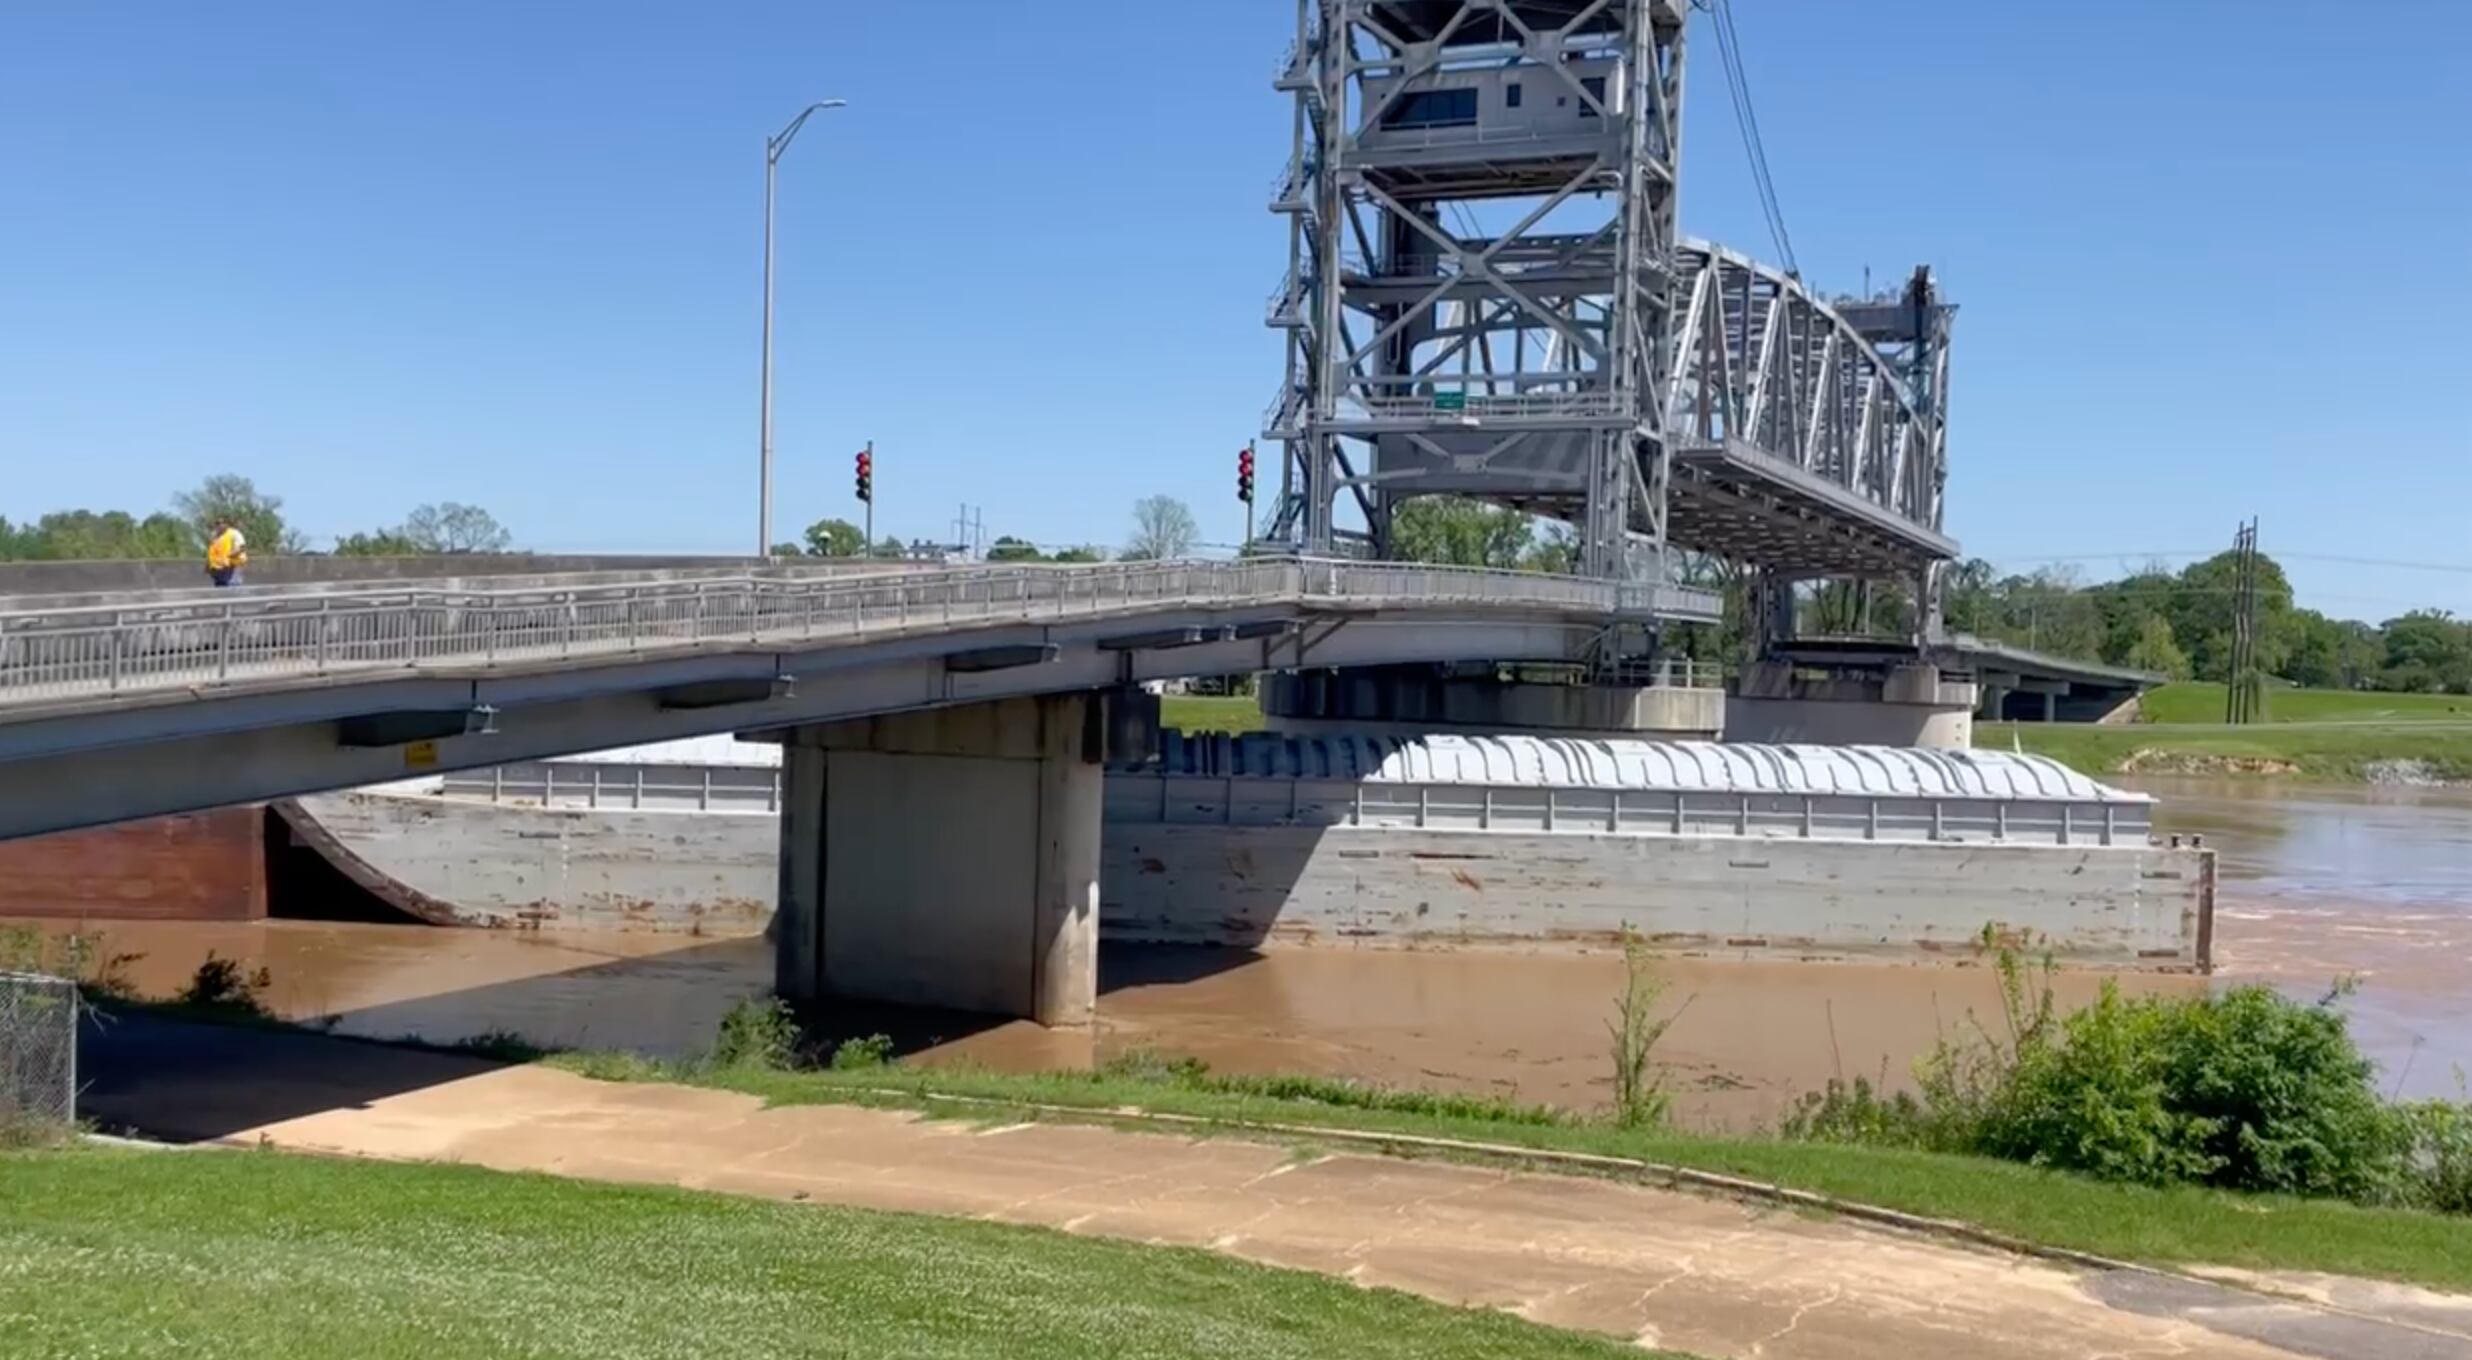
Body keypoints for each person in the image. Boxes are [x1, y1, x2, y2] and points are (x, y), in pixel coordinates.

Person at [205, 519, 248, 587]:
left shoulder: (234, 533)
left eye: (223, 522)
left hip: (232, 567)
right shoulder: (215, 536)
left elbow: (241, 548)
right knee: (220, 589)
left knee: (232, 587)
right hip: (219, 569)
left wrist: (226, 556)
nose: (220, 525)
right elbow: (212, 551)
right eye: (218, 523)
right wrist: (208, 565)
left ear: (227, 524)